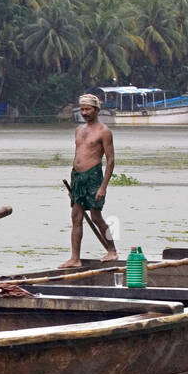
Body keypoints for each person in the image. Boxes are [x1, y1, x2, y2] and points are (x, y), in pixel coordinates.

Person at [59, 93, 118, 268]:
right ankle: (75, 258)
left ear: (96, 110)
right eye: (82, 109)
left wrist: (103, 186)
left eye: (88, 109)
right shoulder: (79, 130)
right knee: (76, 217)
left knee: (96, 216)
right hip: (77, 177)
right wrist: (74, 181)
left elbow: (111, 160)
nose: (84, 112)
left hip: (93, 177)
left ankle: (112, 250)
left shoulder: (104, 132)